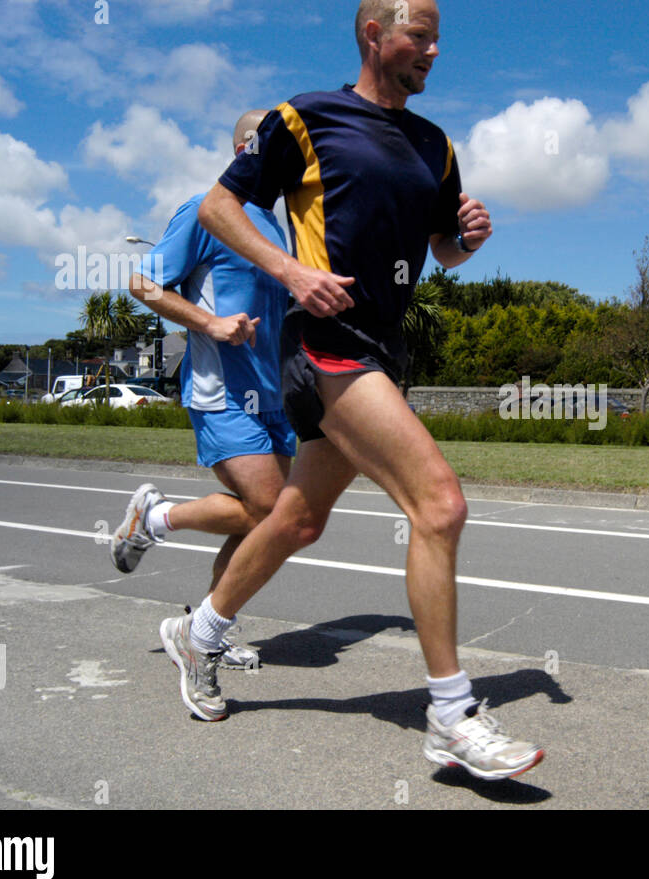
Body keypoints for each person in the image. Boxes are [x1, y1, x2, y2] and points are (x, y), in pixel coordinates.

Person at [159, 0, 543, 780]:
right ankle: (452, 715)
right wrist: (289, 270)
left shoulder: (434, 144)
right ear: (374, 33)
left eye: (438, 39)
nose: (433, 51)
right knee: (439, 505)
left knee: (298, 521)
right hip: (325, 346)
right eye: (419, 36)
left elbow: (443, 250)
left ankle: (197, 635)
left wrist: (466, 237)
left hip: (382, 348)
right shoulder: (305, 118)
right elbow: (217, 206)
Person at [112, 110, 297, 669]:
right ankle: (155, 519)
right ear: (247, 148)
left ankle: (208, 628)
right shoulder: (205, 209)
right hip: (220, 389)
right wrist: (211, 324)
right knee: (268, 510)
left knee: (260, 524)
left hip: (273, 397)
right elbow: (142, 282)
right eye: (281, 145)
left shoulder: (274, 224)